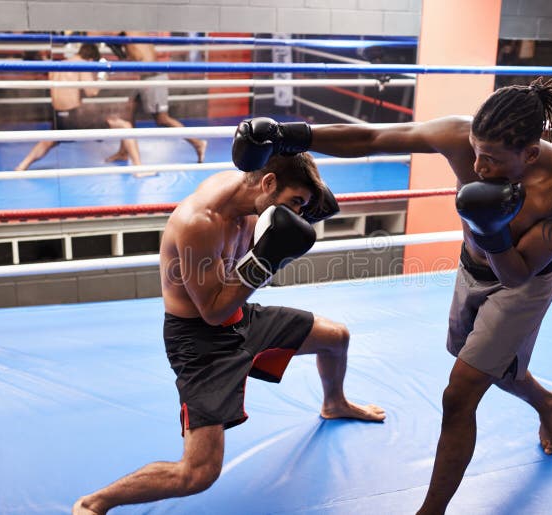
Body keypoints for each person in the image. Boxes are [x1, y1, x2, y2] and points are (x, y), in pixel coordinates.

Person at [230, 76, 552, 514]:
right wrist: (288, 136)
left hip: (523, 285)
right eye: (476, 152)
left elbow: (517, 275)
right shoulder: (460, 137)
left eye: (493, 160)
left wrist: (491, 230)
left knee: (460, 393)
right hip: (471, 268)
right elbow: (373, 137)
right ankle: (547, 402)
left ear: (530, 154)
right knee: (490, 367)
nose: (479, 167)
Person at [72, 153, 385, 515]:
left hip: (238, 315)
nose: (298, 214)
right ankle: (94, 503)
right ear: (269, 184)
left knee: (336, 337)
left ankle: (334, 404)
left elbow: (242, 286)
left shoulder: (253, 199)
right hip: (199, 340)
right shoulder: (199, 222)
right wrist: (268, 259)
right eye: (296, 202)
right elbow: (213, 310)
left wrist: (280, 239)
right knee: (199, 473)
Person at [15, 44, 142, 171]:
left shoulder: (58, 65)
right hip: (74, 116)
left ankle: (22, 166)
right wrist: (101, 77)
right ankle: (138, 169)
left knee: (48, 141)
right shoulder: (82, 64)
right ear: (91, 60)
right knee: (125, 125)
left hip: (58, 115)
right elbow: (91, 92)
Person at [105, 31, 208, 168]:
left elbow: (139, 60)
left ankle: (198, 143)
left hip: (152, 78)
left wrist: (119, 51)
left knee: (162, 119)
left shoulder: (130, 36)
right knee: (129, 114)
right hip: (146, 78)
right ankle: (123, 152)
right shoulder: (134, 35)